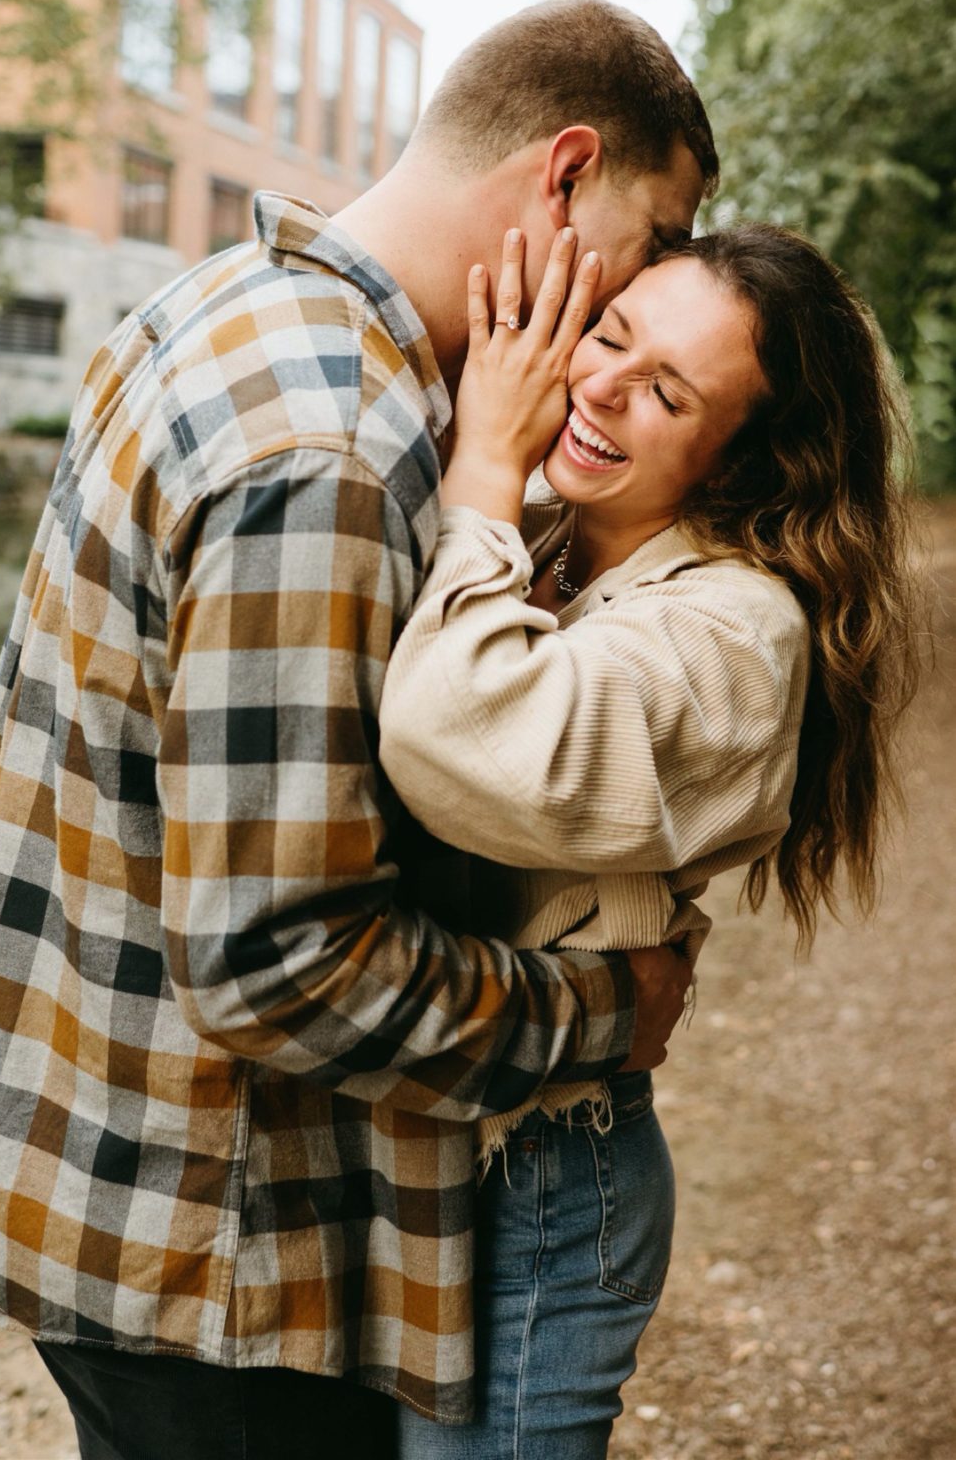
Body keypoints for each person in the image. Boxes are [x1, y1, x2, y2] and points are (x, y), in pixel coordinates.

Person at [0, 0, 715, 1460]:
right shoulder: (331, 446)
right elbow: (276, 960)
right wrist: (606, 1009)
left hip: (67, 1144)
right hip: (191, 1242)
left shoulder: (232, 301)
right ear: (563, 172)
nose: (616, 316)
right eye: (646, 247)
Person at [378, 222, 922, 1456]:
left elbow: (452, 729)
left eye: (667, 392)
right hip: (448, 1128)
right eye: (611, 338)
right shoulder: (560, 539)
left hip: (551, 1181)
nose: (603, 388)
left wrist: (479, 464)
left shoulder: (736, 633)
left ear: (739, 461)